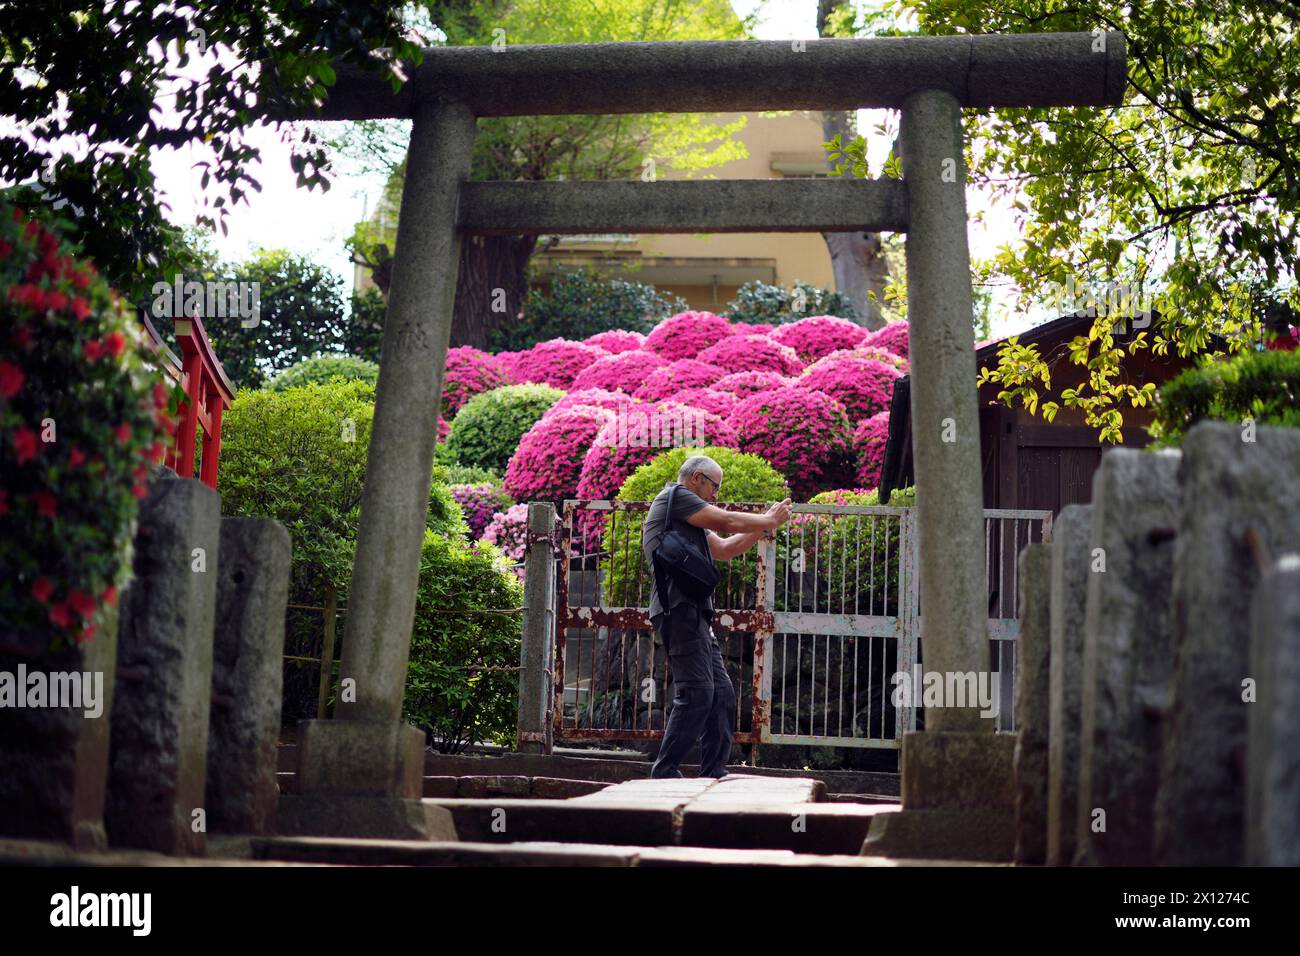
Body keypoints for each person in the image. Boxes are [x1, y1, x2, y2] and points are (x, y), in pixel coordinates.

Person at [641, 455, 792, 779]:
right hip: (676, 610)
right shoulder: (675, 498)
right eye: (715, 487)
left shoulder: (686, 518)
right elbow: (726, 521)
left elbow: (724, 548)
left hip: (694, 613)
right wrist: (767, 519)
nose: (715, 495)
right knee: (696, 692)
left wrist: (766, 526)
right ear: (696, 478)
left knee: (721, 694)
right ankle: (664, 771)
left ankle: (713, 773)